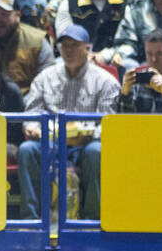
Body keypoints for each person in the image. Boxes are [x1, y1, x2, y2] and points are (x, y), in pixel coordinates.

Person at [18, 24, 117, 220]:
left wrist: (83, 135)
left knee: (96, 152)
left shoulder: (106, 81)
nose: (68, 50)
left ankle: (92, 219)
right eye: (64, 46)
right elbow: (31, 116)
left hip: (86, 144)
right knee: (27, 149)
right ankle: (30, 219)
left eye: (74, 45)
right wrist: (34, 130)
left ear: (88, 49)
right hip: (50, 141)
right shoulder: (44, 78)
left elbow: (108, 124)